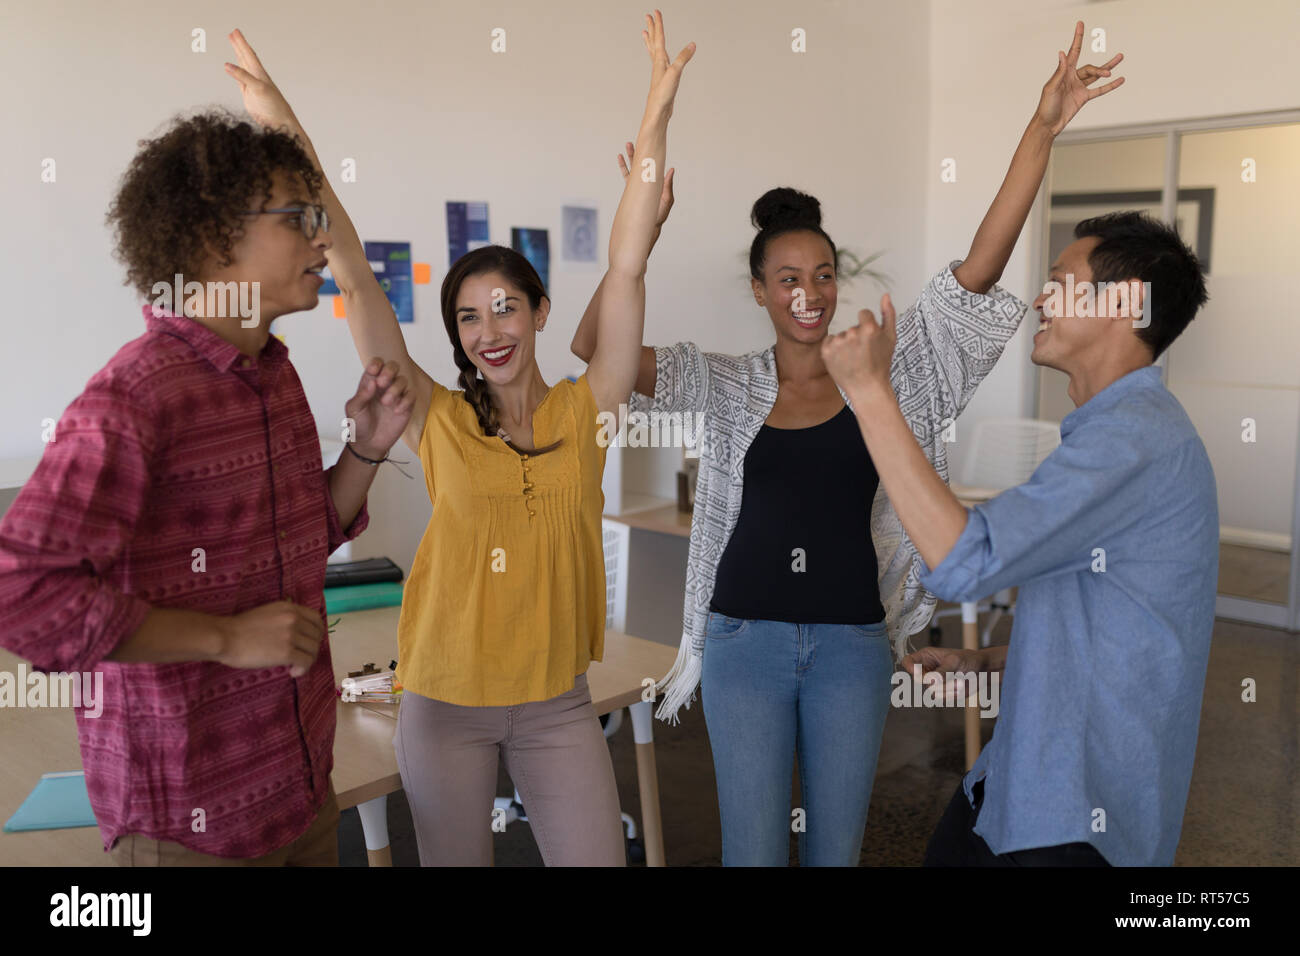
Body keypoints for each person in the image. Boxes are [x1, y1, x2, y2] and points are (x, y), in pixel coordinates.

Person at [571, 20, 1124, 866]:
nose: (809, 293)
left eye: (824, 275)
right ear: (759, 290)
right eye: (788, 279)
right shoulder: (722, 382)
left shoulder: (892, 372)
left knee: (837, 853)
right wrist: (637, 239)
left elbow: (981, 264)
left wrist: (1042, 127)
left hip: (852, 647)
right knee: (753, 853)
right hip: (741, 643)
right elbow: (593, 348)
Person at [224, 15, 694, 865]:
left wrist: (657, 109)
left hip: (557, 702)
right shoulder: (434, 417)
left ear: (540, 311)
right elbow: (356, 272)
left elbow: (626, 269)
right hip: (445, 703)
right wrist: (276, 115)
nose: (490, 330)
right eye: (468, 317)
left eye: (506, 307)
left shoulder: (589, 412)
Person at [0, 99, 415, 863]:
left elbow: (302, 539)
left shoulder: (274, 376)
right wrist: (223, 640)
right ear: (210, 235)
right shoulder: (137, 396)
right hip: (190, 826)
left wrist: (364, 450)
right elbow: (20, 594)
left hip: (300, 790)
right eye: (298, 217)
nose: (323, 237)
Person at [824, 204, 1215, 866]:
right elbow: (1122, 616)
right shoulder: (1126, 430)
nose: (1039, 298)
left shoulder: (1133, 441)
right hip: (1017, 782)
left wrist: (870, 394)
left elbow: (964, 561)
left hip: (1073, 817)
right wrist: (990, 661)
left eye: (1060, 281)